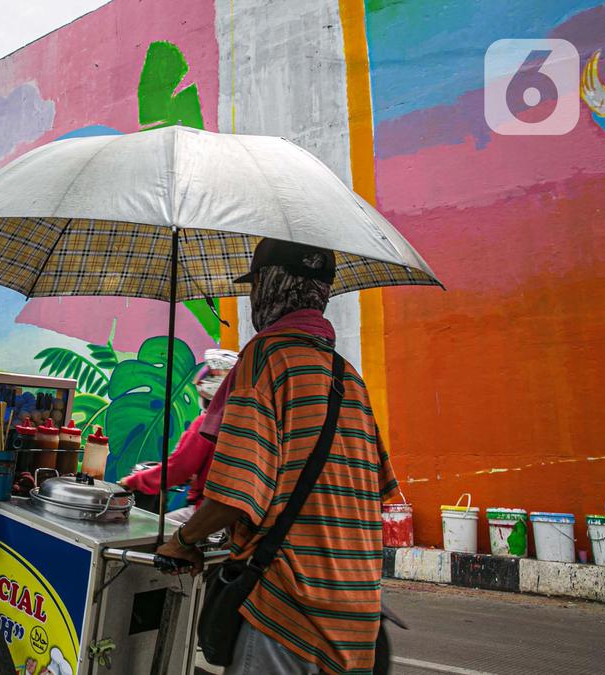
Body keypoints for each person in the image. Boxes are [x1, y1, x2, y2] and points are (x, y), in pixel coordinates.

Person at [156, 238, 400, 675]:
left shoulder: (266, 359)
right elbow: (378, 490)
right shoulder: (350, 379)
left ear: (271, 287)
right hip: (359, 615)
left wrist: (184, 541)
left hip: (289, 609)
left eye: (256, 286)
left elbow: (236, 493)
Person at [118, 349, 238, 523]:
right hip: (237, 517)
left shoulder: (207, 425)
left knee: (150, 534)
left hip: (208, 514)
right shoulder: (242, 424)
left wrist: (132, 481)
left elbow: (177, 469)